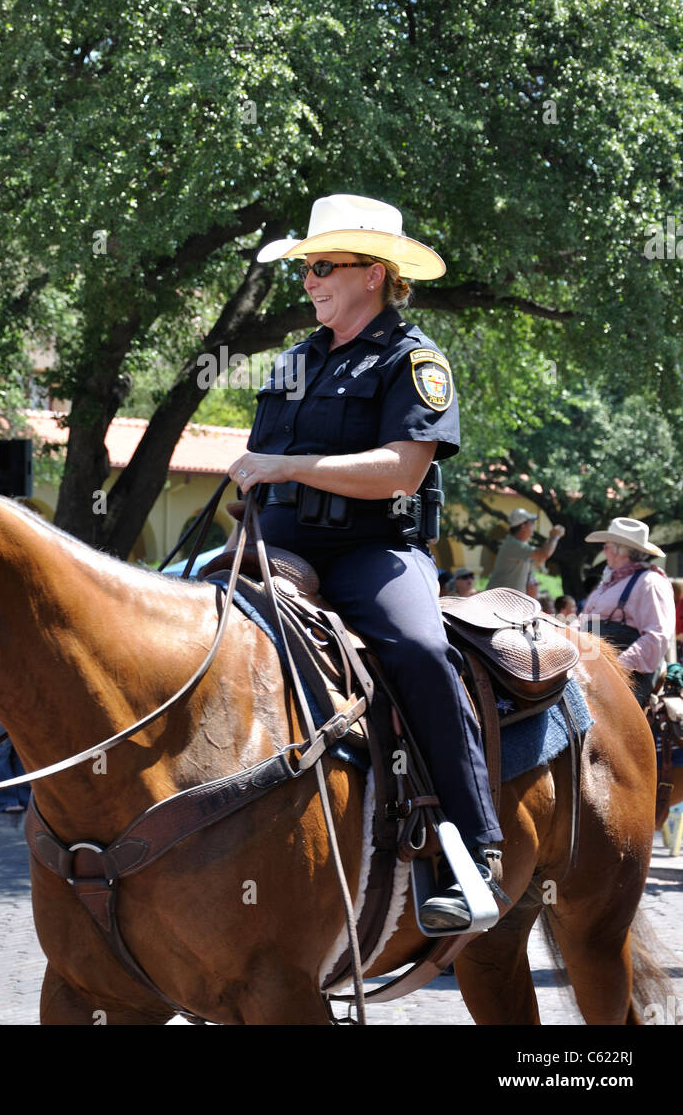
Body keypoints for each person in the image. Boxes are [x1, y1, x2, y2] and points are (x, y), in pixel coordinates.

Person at [229, 193, 502, 932]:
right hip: (277, 544)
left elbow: (398, 472)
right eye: (306, 268)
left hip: (371, 550)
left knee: (417, 651)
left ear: (372, 273)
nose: (308, 280)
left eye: (322, 266)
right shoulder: (291, 360)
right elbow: (264, 462)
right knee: (178, 617)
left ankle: (474, 853)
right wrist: (258, 477)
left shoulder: (413, 360)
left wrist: (289, 466)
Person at [579, 517, 676, 706]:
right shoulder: (608, 583)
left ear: (620, 550)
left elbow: (658, 636)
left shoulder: (651, 582)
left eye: (607, 546)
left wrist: (618, 667)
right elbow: (587, 621)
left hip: (628, 674)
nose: (604, 550)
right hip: (591, 663)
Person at [486, 508, 564, 593]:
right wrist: (554, 537)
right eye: (532, 522)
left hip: (504, 600)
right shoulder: (514, 545)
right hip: (500, 600)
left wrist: (550, 542)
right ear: (523, 525)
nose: (533, 525)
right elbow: (544, 553)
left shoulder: (517, 545)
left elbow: (539, 560)